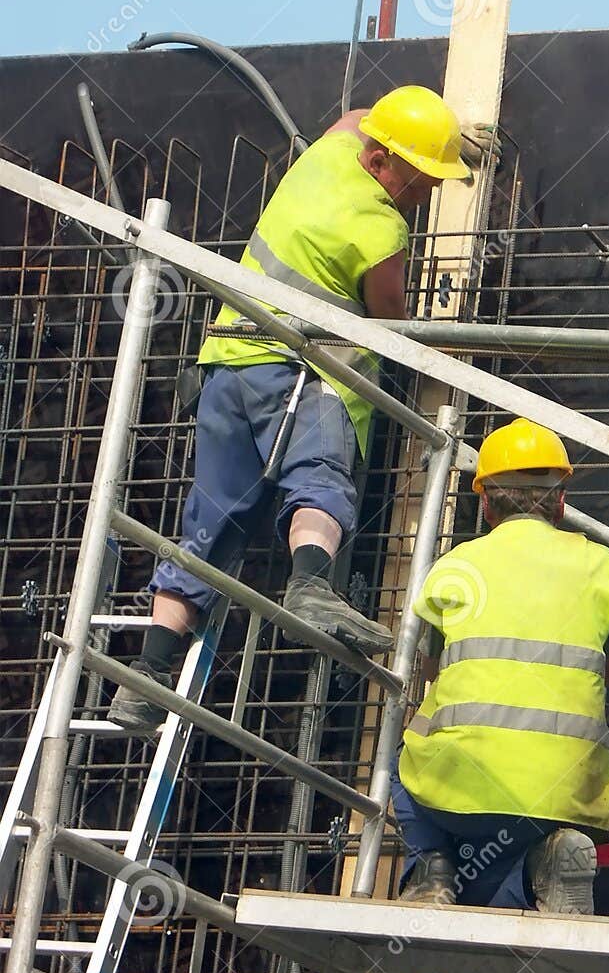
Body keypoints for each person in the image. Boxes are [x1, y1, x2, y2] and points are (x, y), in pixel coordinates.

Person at [109, 85, 479, 732]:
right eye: (423, 179)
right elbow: (391, 323)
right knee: (320, 475)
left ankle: (144, 676)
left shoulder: (326, 154)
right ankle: (311, 585)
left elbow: (360, 113)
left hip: (228, 363)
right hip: (301, 372)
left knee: (212, 518)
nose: (424, 196)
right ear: (383, 163)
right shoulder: (382, 226)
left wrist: (447, 138)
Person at [392, 417, 609, 915]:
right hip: (564, 793)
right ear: (560, 500)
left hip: (460, 788)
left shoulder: (456, 565)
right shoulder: (600, 564)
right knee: (492, 873)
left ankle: (431, 869)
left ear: (484, 503)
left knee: (403, 761)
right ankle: (540, 863)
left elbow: (432, 669)